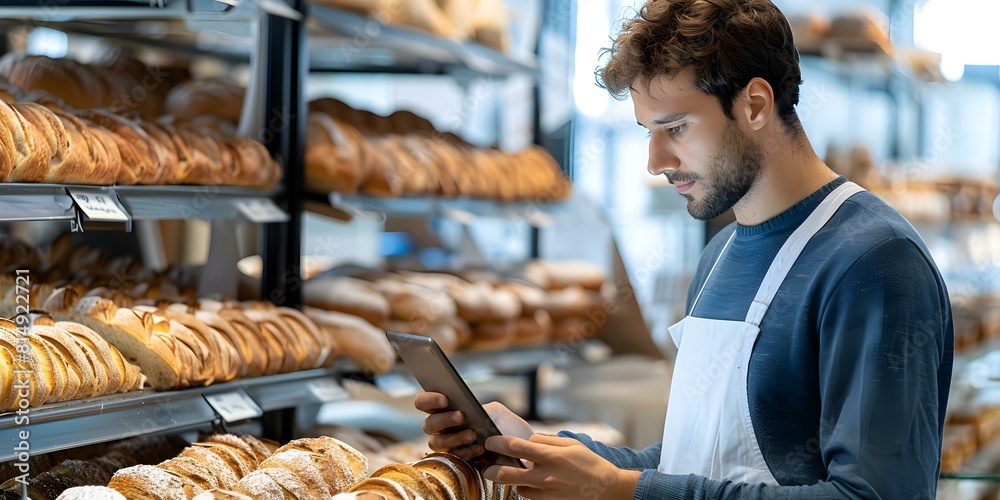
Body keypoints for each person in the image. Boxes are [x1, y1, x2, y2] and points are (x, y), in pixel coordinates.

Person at [415, 0, 954, 498]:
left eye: (675, 127)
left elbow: (877, 494)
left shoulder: (874, 262)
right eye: (648, 130)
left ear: (756, 105)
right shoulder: (719, 256)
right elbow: (696, 461)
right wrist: (537, 449)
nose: (655, 161)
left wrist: (622, 491)